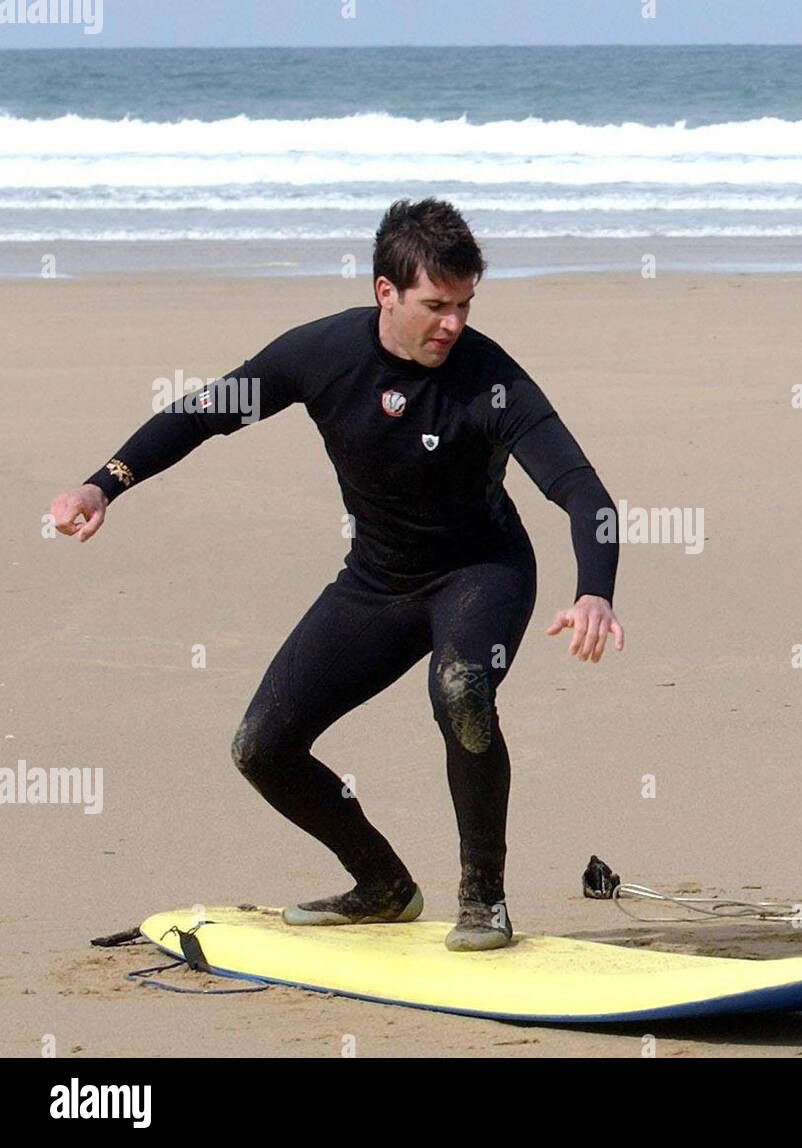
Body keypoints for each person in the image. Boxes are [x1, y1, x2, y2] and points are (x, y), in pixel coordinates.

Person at [48, 198, 623, 952]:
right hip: (378, 582)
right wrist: (104, 483)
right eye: (436, 305)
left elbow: (583, 491)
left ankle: (485, 900)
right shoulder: (320, 355)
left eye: (465, 304)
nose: (453, 323)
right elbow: (203, 412)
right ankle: (382, 885)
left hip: (483, 571)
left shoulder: (490, 379)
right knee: (261, 748)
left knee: (460, 688)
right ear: (385, 292)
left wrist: (594, 591)